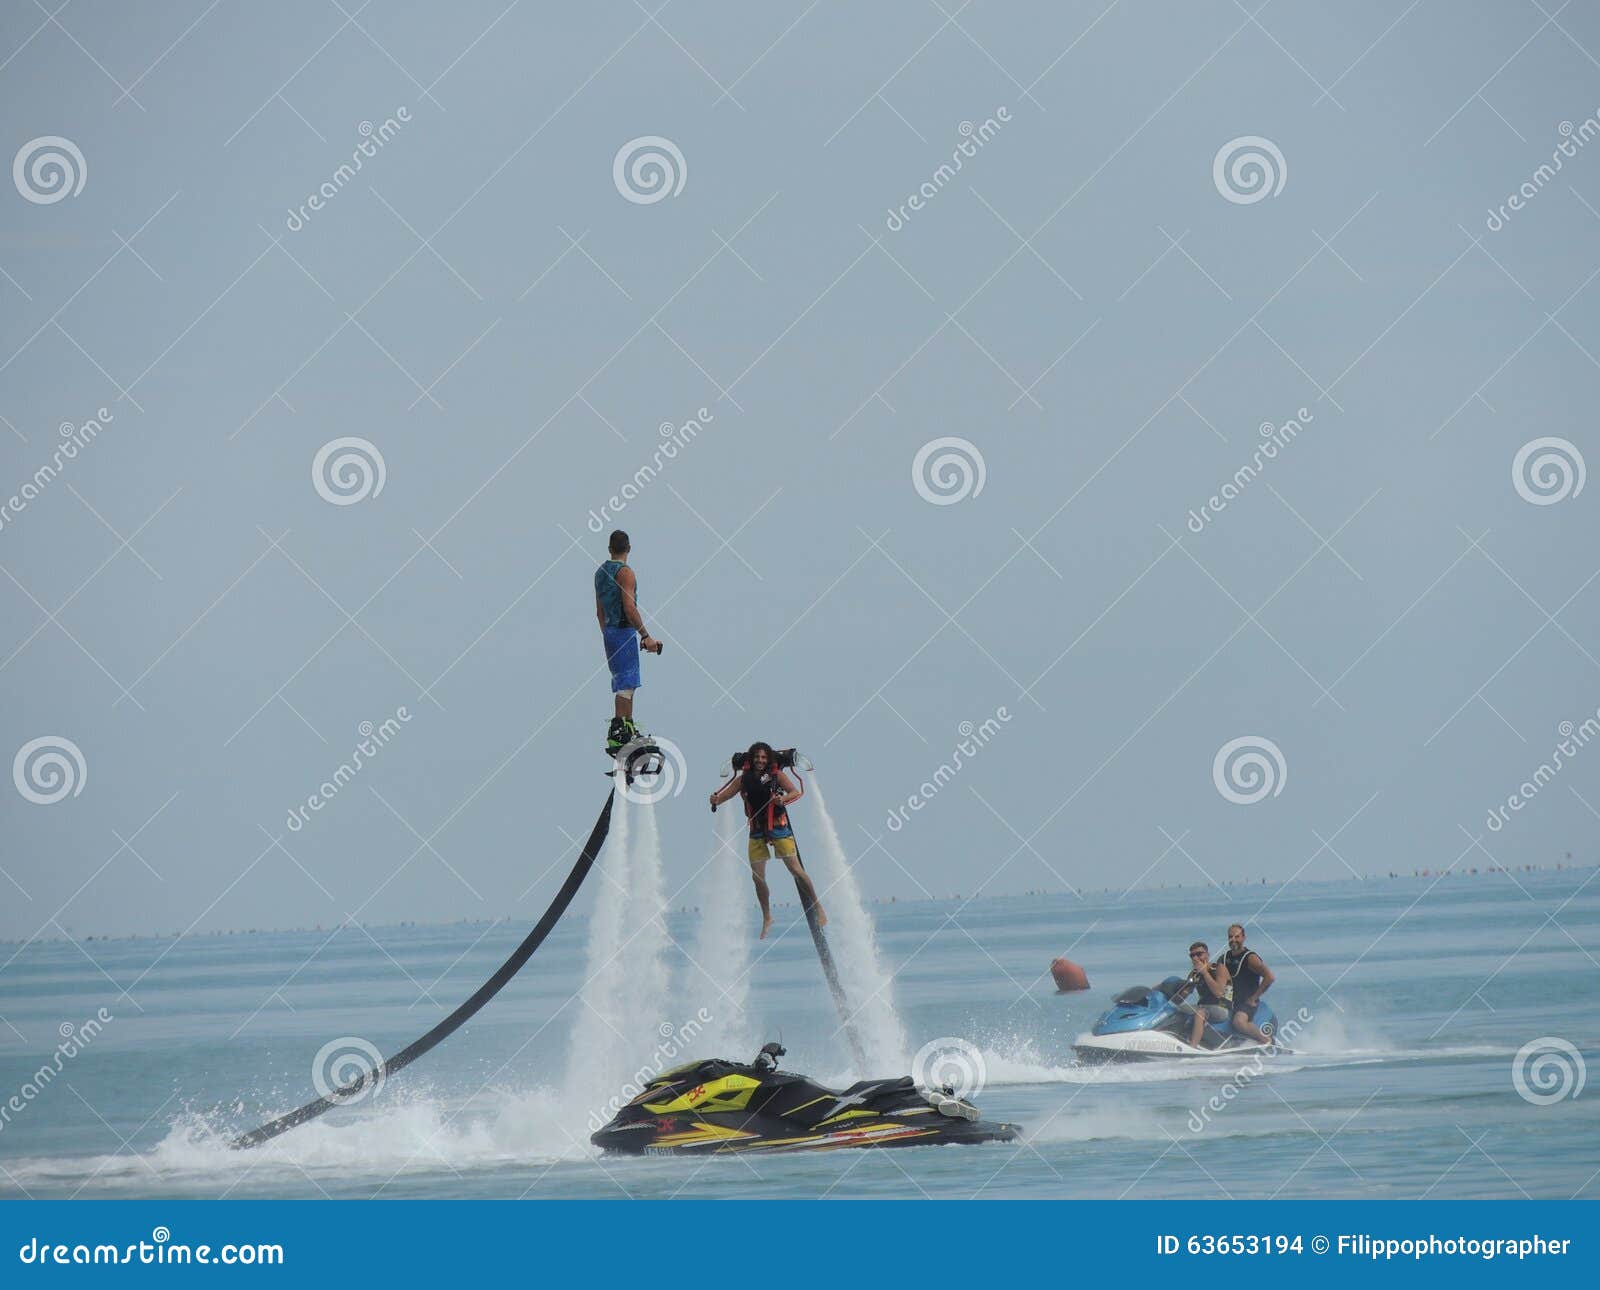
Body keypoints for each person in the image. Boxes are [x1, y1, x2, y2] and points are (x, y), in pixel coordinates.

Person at [709, 742, 826, 939]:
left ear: (768, 759)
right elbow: (725, 795)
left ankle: (819, 907)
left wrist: (783, 799)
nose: (760, 761)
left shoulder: (776, 776)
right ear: (751, 759)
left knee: (796, 871)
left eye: (763, 758)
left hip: (779, 827)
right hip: (756, 831)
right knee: (757, 877)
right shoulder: (743, 780)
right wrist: (715, 800)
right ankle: (767, 916)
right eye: (757, 757)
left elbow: (795, 792)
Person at [594, 530, 662, 756]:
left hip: (610, 631)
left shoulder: (600, 572)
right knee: (626, 684)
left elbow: (599, 613)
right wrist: (645, 635)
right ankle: (620, 732)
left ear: (609, 549)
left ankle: (627, 728)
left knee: (626, 683)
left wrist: (608, 635)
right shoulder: (626, 573)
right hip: (624, 631)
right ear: (629, 548)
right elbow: (629, 608)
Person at [1221, 923, 1275, 1043]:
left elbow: (1269, 977)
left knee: (1239, 1022)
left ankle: (1266, 1041)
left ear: (1244, 938)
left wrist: (1254, 998)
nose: (1233, 940)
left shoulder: (1250, 958)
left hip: (1246, 1003)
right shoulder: (1224, 958)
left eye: (1237, 937)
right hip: (1230, 1001)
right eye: (1230, 937)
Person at [1179, 940, 1231, 1049]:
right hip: (1202, 1007)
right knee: (1177, 1010)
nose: (1195, 958)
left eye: (1199, 954)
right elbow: (1183, 994)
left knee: (1200, 1013)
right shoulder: (1194, 973)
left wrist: (1205, 973)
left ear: (1207, 954)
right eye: (1192, 955)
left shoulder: (1219, 968)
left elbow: (1219, 992)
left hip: (1222, 1008)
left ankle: (1192, 1047)